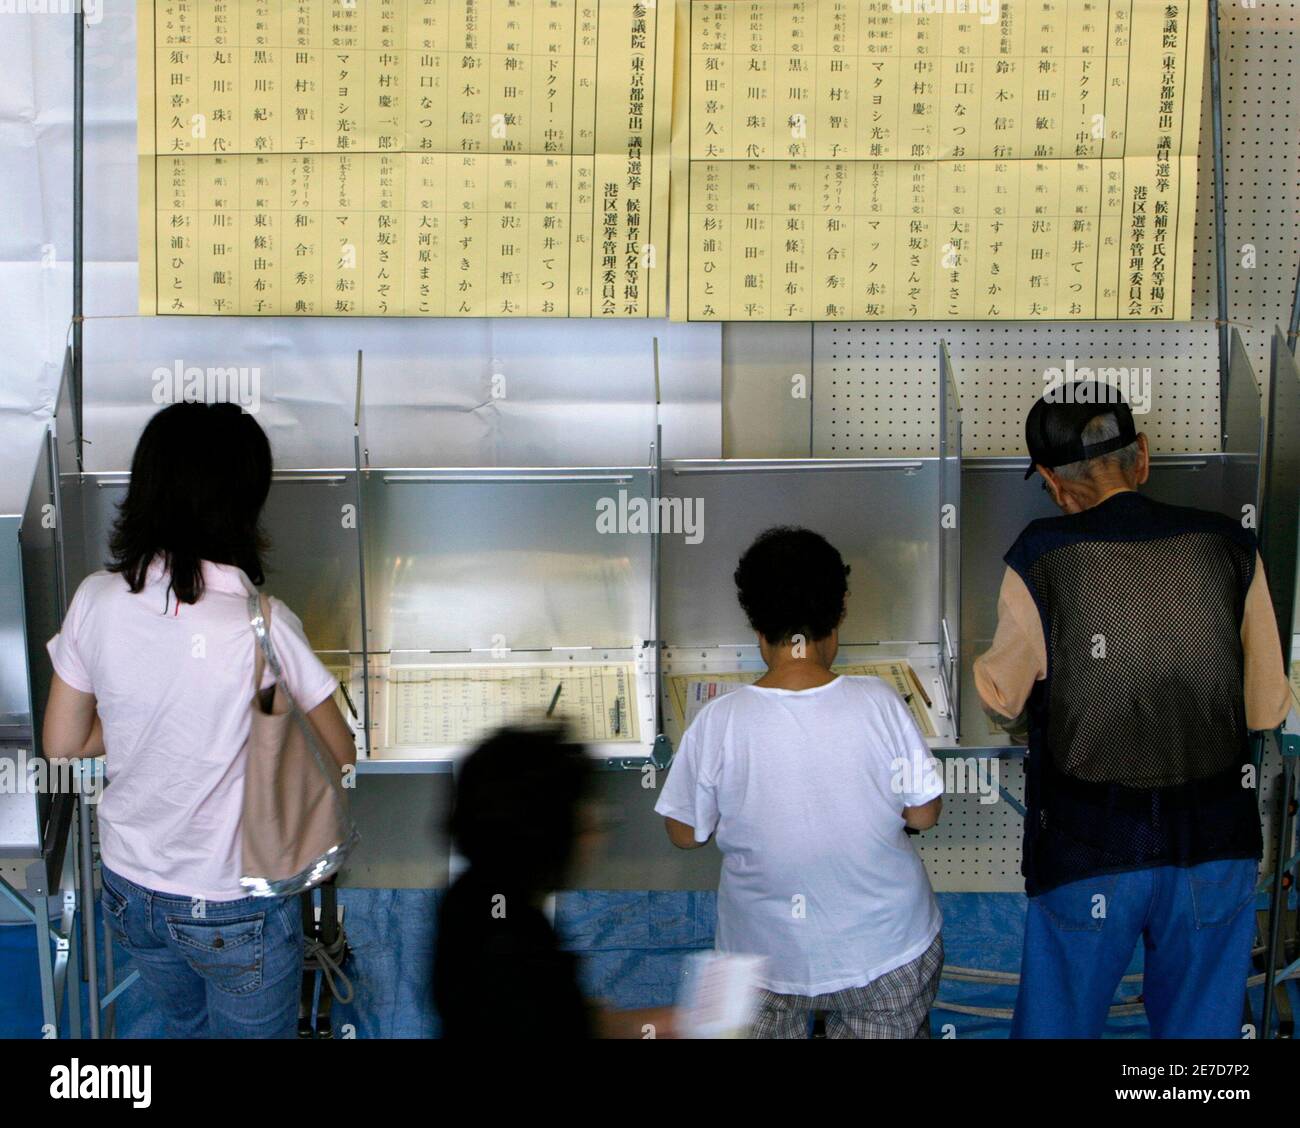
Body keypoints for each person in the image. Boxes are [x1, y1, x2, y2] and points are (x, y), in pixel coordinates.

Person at [974, 381, 1292, 1039]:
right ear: (1142, 456)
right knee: (1196, 1046)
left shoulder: (1042, 556)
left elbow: (1002, 695)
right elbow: (1265, 709)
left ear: (1055, 485)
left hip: (1092, 847)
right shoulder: (1233, 547)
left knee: (1061, 1025)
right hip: (1214, 845)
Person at [42, 401, 356, 1039]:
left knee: (183, 1027)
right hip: (234, 902)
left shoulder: (94, 600)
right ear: (242, 504)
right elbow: (342, 751)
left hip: (129, 888)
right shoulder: (264, 624)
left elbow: (63, 744)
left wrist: (144, 722)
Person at [655, 526, 945, 1039]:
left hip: (759, 964)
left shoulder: (719, 721)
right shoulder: (879, 703)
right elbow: (923, 813)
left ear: (756, 624)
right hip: (885, 952)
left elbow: (684, 833)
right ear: (839, 613)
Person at [434, 724, 676, 1038]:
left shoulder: (470, 896)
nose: (597, 838)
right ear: (549, 834)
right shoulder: (514, 942)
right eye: (588, 821)